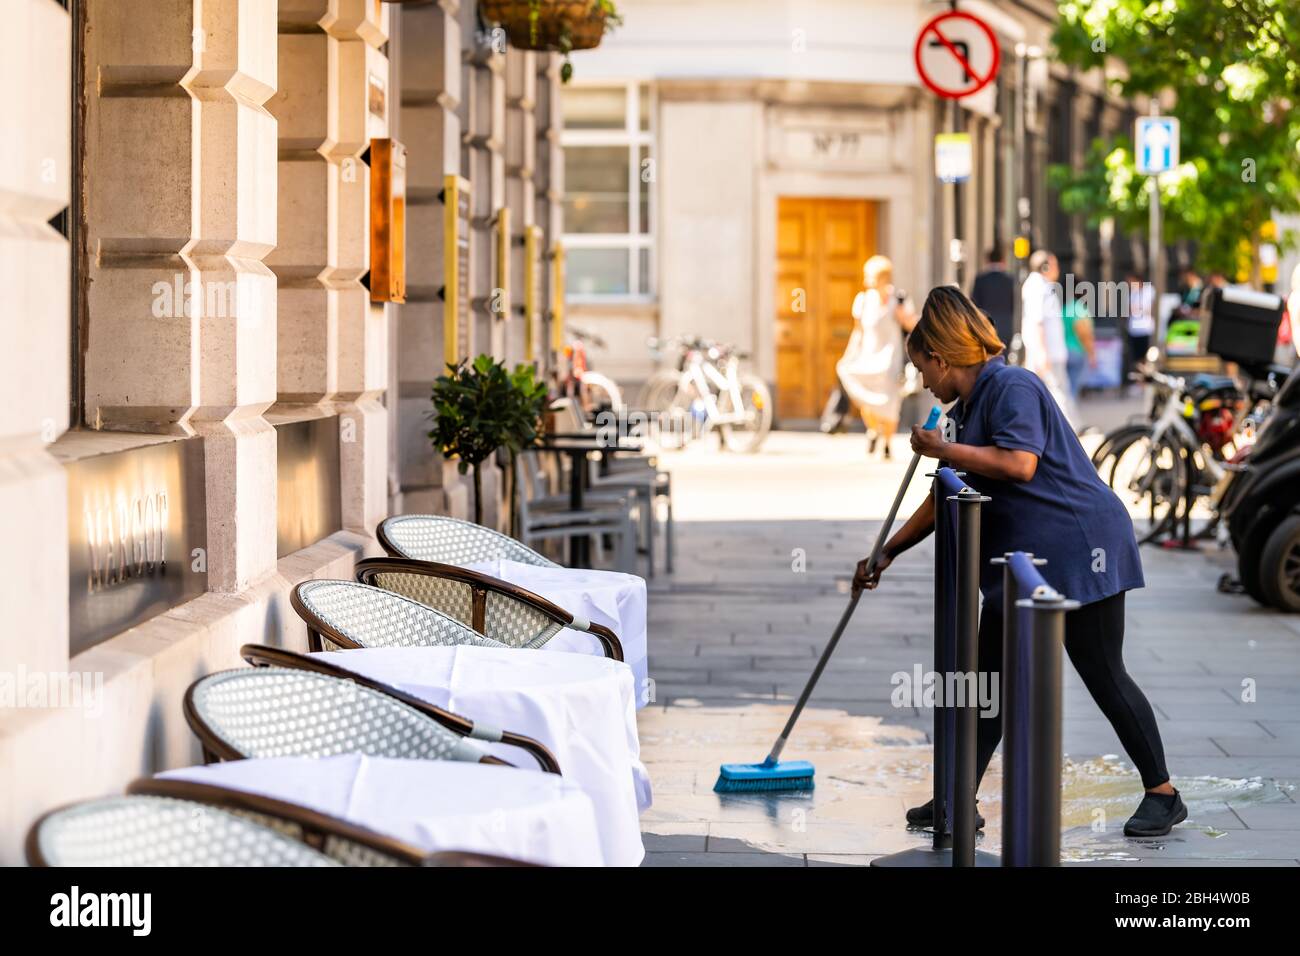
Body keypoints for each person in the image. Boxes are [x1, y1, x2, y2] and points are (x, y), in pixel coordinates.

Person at [852, 285, 1185, 838]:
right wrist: (886, 551)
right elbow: (942, 496)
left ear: (941, 356)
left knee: (1102, 672)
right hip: (1021, 565)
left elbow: (1020, 464)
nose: (923, 382)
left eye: (922, 369)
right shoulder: (966, 409)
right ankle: (958, 800)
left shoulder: (1012, 386)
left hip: (1080, 547)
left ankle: (1163, 793)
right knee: (987, 685)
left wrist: (944, 449)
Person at [837, 255, 916, 459]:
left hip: (891, 360)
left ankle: (887, 443)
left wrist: (902, 316)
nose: (866, 280)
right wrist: (849, 356)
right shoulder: (863, 300)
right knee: (866, 400)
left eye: (869, 275)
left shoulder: (899, 298)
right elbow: (857, 332)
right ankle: (873, 430)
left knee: (890, 404)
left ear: (883, 277)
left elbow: (913, 325)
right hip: (867, 357)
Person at [1020, 250, 1075, 422]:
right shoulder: (1038, 288)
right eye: (1055, 265)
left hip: (1048, 352)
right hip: (1047, 352)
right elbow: (1038, 322)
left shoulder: (1042, 287)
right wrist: (1042, 353)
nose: (1058, 270)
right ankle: (1068, 430)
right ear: (1045, 267)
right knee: (1058, 392)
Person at [970, 245, 1016, 351]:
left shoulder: (980, 279)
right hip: (1006, 325)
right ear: (1003, 260)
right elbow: (1013, 304)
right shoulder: (1010, 280)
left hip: (985, 325)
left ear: (987, 260)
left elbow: (974, 304)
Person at [1063, 287, 1097, 400]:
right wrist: (1092, 354)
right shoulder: (1080, 309)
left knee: (1064, 388)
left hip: (1063, 351)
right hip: (1076, 351)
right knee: (1072, 389)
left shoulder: (1065, 308)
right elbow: (1084, 332)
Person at [1124, 272, 1156, 392]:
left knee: (1146, 358)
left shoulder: (1149, 291)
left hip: (1145, 329)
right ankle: (1139, 382)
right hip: (1133, 329)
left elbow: (1151, 309)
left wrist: (1139, 309)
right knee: (1136, 358)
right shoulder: (1131, 293)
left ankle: (1146, 382)